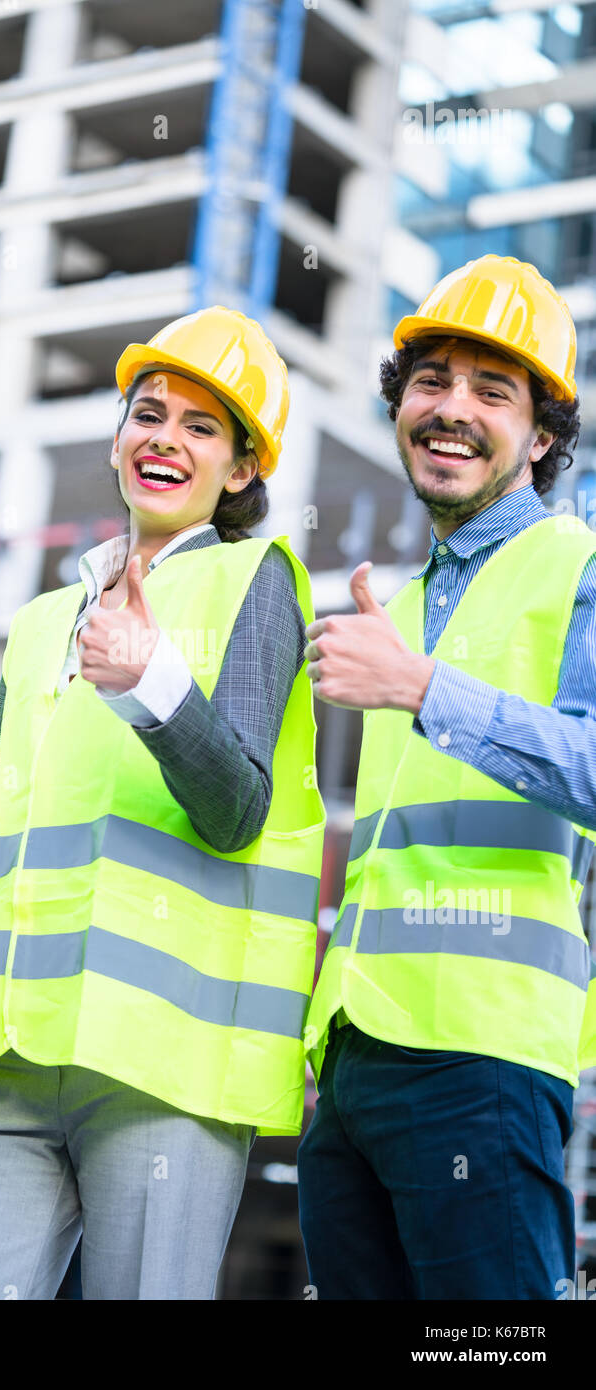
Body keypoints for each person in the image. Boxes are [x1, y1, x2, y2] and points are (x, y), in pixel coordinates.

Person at [0, 305, 326, 1300]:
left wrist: (152, 684)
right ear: (118, 434)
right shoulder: (46, 621)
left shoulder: (255, 581)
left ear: (243, 469)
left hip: (161, 1071)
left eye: (202, 426)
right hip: (4, 1058)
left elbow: (238, 811)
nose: (165, 439)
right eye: (148, 413)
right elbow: (12, 842)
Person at [298, 254, 596, 1300]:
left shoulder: (579, 566)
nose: (452, 409)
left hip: (482, 1058)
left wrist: (426, 689)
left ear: (544, 435)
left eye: (492, 390)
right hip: (353, 1063)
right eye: (431, 382)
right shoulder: (406, 599)